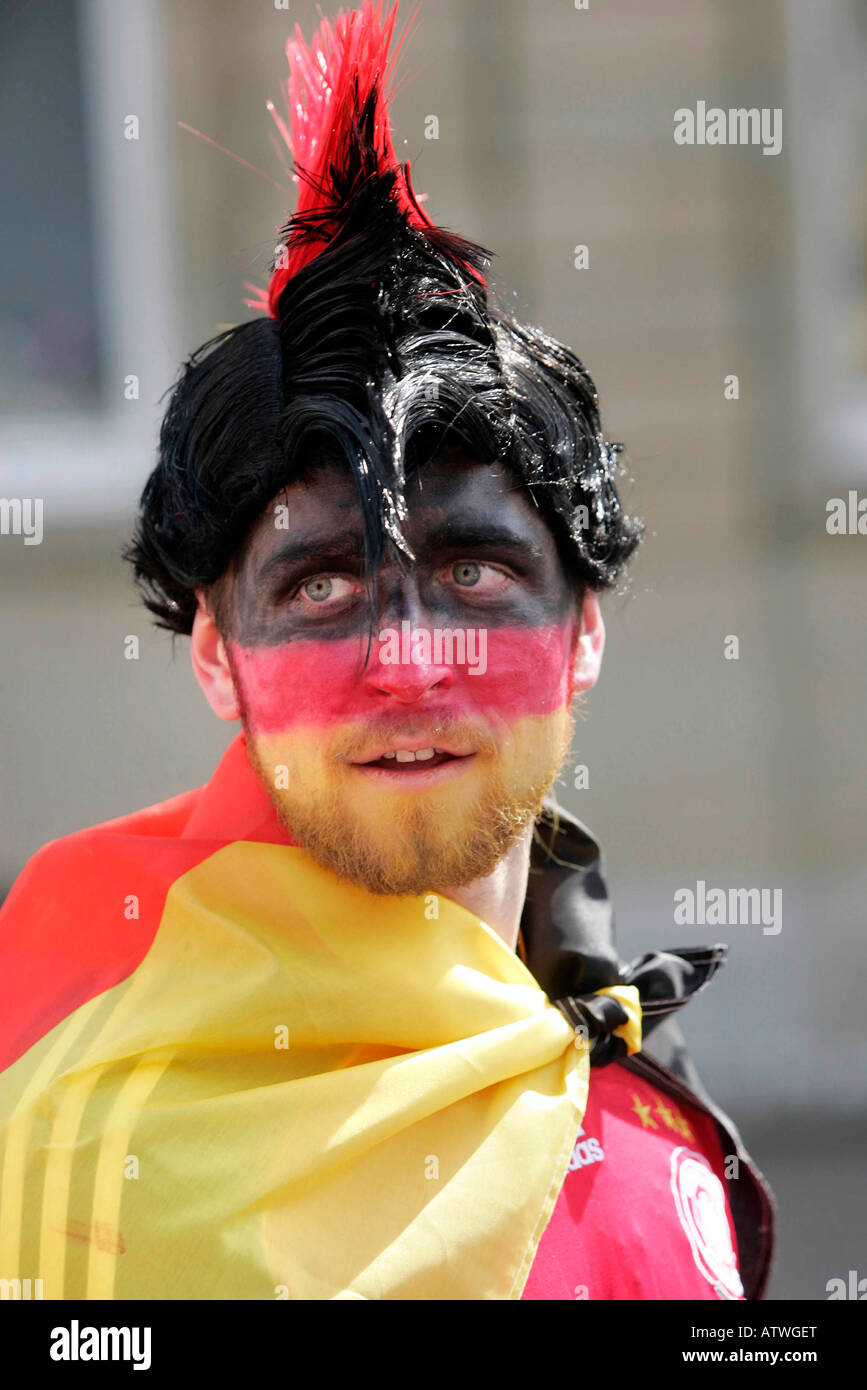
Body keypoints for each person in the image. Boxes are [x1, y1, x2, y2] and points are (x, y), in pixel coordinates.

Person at [0, 0, 774, 1300]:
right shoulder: (55, 1109)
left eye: (473, 572)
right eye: (319, 587)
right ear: (216, 654)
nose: (407, 662)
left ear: (582, 631)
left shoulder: (648, 1108)